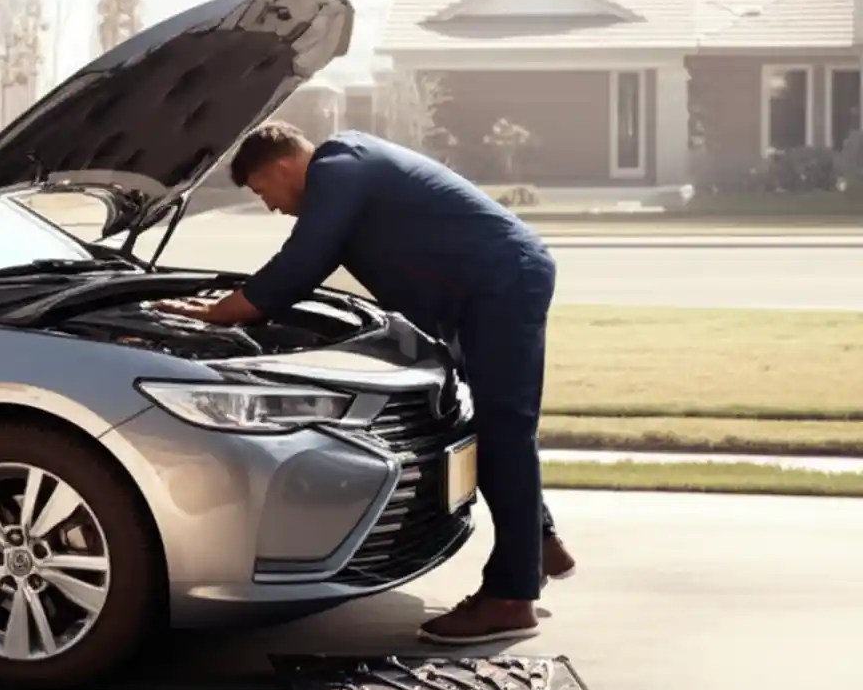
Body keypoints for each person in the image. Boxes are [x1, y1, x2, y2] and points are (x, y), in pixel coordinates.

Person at [154, 122, 577, 644]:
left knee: (504, 432)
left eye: (264, 192)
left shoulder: (340, 168)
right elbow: (312, 265)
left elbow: (303, 260)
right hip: (489, 289)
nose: (272, 208)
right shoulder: (349, 172)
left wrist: (222, 312)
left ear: (282, 166)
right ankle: (539, 545)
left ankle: (511, 598)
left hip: (502, 284)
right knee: (486, 428)